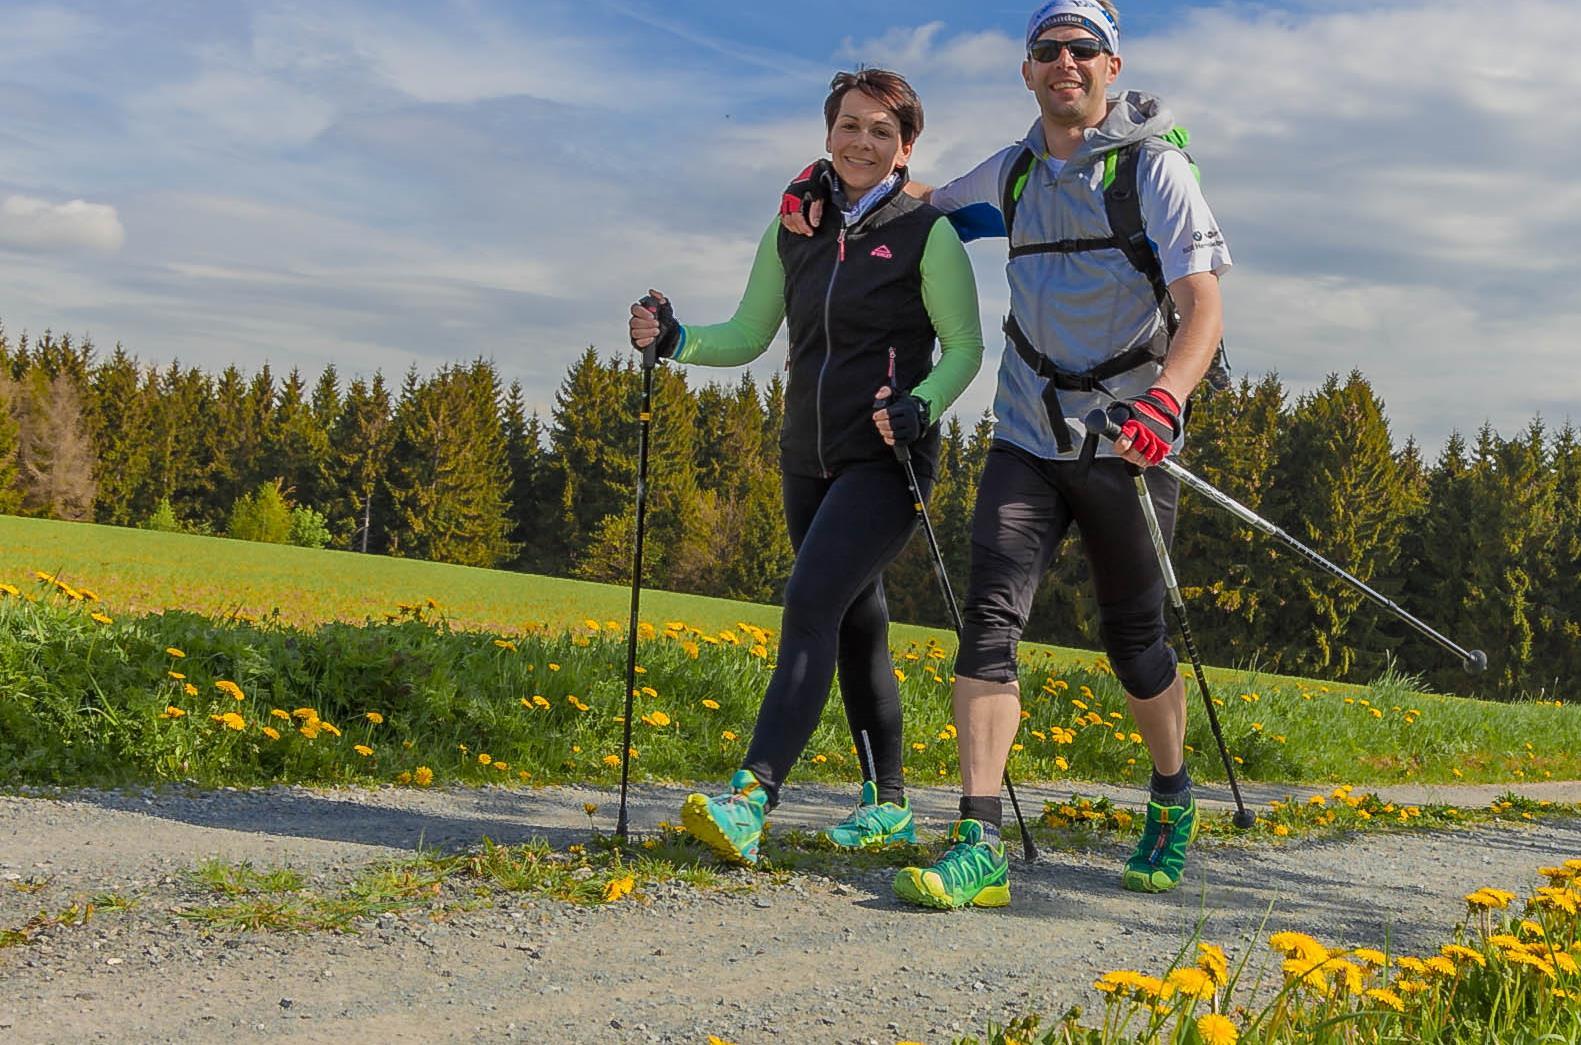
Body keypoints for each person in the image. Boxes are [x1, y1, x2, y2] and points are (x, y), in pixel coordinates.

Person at [782, 0, 1231, 906]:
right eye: (1047, 50)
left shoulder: (1155, 169)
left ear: (1110, 66)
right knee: (988, 621)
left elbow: (1203, 306)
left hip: (1124, 437)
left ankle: (1171, 792)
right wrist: (821, 185)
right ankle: (978, 837)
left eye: (1082, 49)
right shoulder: (1012, 171)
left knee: (1133, 638)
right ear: (1027, 71)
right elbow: (916, 205)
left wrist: (1165, 400)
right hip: (1026, 430)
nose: (1065, 62)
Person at [628, 68, 985, 865]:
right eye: (849, 125)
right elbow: (749, 333)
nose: (862, 141)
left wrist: (922, 402)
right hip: (805, 456)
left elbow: (965, 347)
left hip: (887, 457)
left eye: (881, 132)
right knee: (857, 621)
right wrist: (677, 338)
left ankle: (751, 794)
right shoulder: (793, 227)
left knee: (811, 599)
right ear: (828, 133)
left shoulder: (926, 231)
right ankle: (887, 804)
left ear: (905, 148)